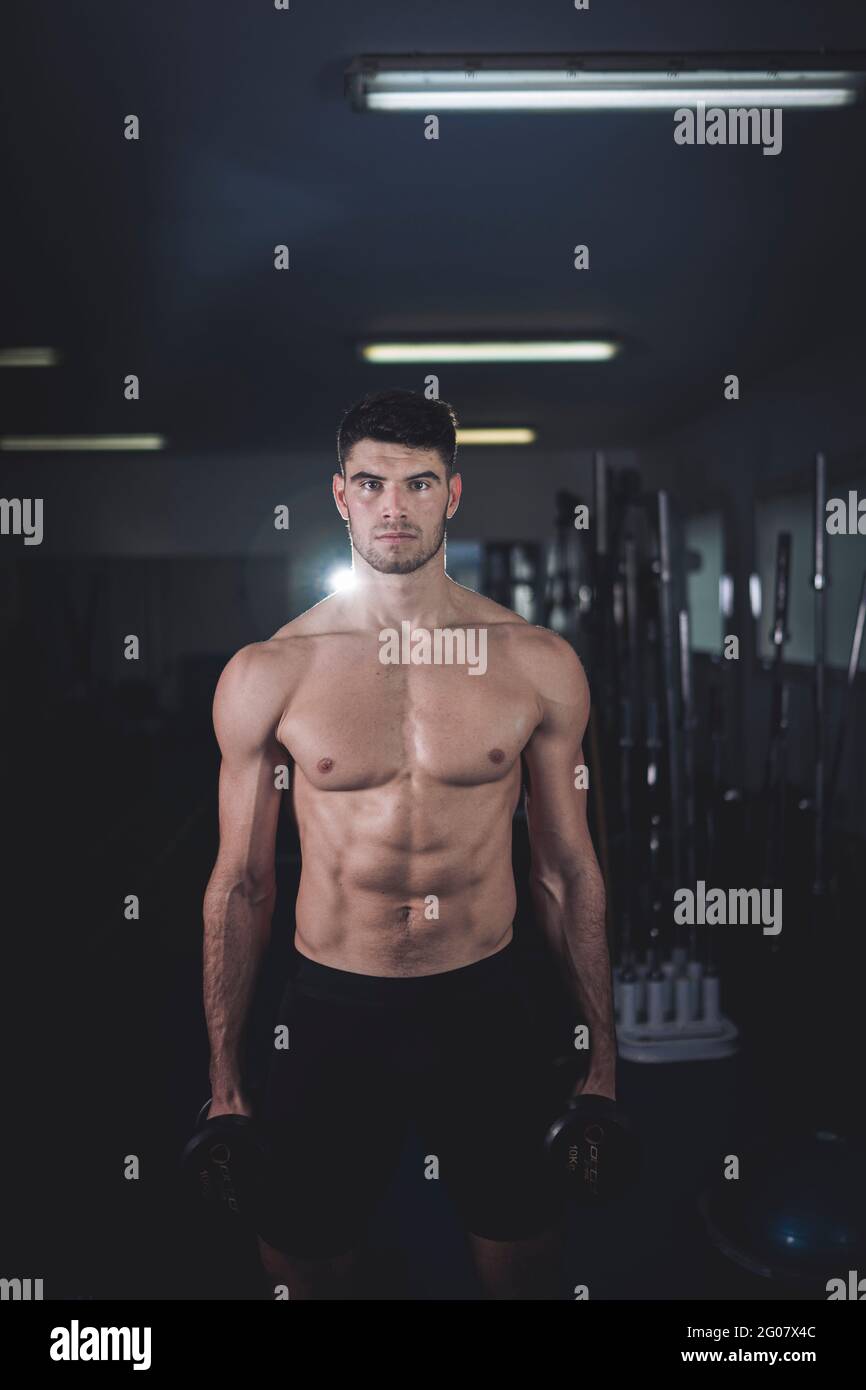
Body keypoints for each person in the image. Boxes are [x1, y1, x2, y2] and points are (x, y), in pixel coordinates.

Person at [201, 389, 616, 1299]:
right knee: (303, 1270)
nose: (396, 506)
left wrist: (602, 1059)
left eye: (419, 483)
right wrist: (225, 1078)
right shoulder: (271, 672)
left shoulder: (534, 661)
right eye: (373, 483)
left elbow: (565, 868)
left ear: (452, 494)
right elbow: (241, 885)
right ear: (340, 495)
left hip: (486, 1004)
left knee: (524, 1264)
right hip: (332, 1010)